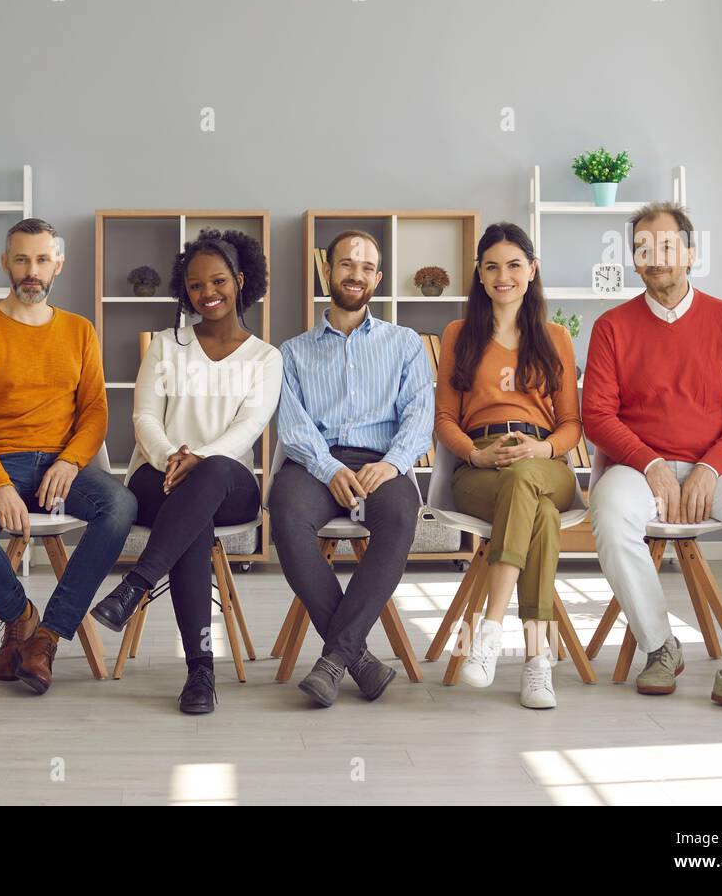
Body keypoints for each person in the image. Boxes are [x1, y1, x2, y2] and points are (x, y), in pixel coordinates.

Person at [584, 201, 722, 714]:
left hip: (715, 469)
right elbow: (597, 416)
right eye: (643, 248)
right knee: (610, 514)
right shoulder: (612, 327)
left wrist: (709, 466)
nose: (654, 257)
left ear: (690, 253)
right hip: (637, 471)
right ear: (635, 259)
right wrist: (651, 463)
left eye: (665, 246)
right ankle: (661, 646)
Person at [89, 229, 282, 714]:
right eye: (195, 286)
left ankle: (135, 585)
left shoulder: (265, 357)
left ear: (240, 281)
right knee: (192, 516)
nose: (207, 293)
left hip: (228, 478)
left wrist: (201, 458)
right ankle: (201, 672)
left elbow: (251, 425)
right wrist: (173, 456)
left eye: (218, 281)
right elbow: (144, 418)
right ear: (185, 290)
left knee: (208, 479)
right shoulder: (166, 346)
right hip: (158, 474)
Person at [0, 218, 137, 695]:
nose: (31, 270)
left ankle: (48, 636)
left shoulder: (79, 330)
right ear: (5, 262)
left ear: (58, 264)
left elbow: (95, 410)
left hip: (59, 465)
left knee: (120, 506)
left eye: (41, 259)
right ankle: (21, 614)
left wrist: (71, 461)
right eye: (21, 259)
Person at [270, 229, 433, 707]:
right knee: (285, 514)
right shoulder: (293, 352)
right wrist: (326, 468)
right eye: (346, 264)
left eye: (366, 268)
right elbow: (293, 426)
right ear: (328, 271)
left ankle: (334, 658)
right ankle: (356, 658)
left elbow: (420, 415)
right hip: (316, 461)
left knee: (401, 518)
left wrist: (393, 463)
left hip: (382, 462)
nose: (356, 275)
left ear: (378, 278)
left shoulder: (405, 344)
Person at [435, 221, 581, 709]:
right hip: (479, 469)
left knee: (526, 480)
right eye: (492, 266)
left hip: (546, 462)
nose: (504, 276)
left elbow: (571, 424)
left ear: (532, 270)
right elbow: (445, 418)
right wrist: (475, 453)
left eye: (514, 265)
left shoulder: (556, 337)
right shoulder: (459, 334)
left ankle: (490, 629)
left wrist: (540, 451)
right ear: (479, 274)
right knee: (534, 510)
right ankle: (537, 660)